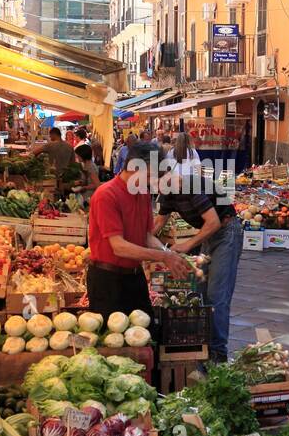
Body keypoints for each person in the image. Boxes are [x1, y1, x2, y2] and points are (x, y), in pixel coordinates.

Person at [87, 140, 190, 315]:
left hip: (134, 276)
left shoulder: (142, 193)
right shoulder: (106, 195)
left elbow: (146, 236)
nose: (153, 181)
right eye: (150, 175)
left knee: (146, 333)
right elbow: (118, 247)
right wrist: (163, 256)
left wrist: (168, 253)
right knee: (113, 338)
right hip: (108, 279)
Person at [157, 165, 241, 363]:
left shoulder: (190, 186)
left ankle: (218, 352)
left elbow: (213, 222)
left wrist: (187, 244)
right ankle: (204, 344)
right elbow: (159, 223)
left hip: (226, 232)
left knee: (217, 294)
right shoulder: (168, 193)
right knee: (200, 292)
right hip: (208, 236)